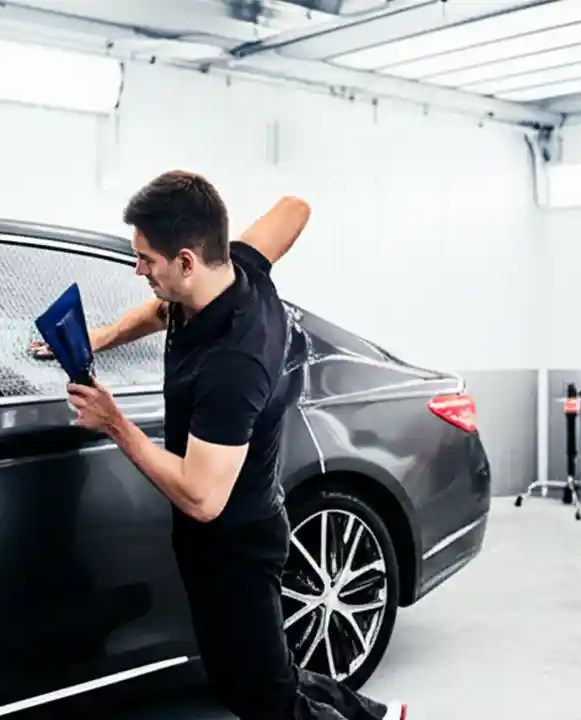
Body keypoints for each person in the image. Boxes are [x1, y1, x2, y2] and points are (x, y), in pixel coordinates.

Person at [63, 170, 407, 720]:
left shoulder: (233, 364)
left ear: (186, 262)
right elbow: (295, 206)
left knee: (264, 699)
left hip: (235, 543)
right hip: (225, 531)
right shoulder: (236, 265)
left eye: (146, 260)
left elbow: (203, 498)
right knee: (258, 673)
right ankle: (376, 716)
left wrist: (114, 422)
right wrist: (101, 336)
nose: (138, 270)